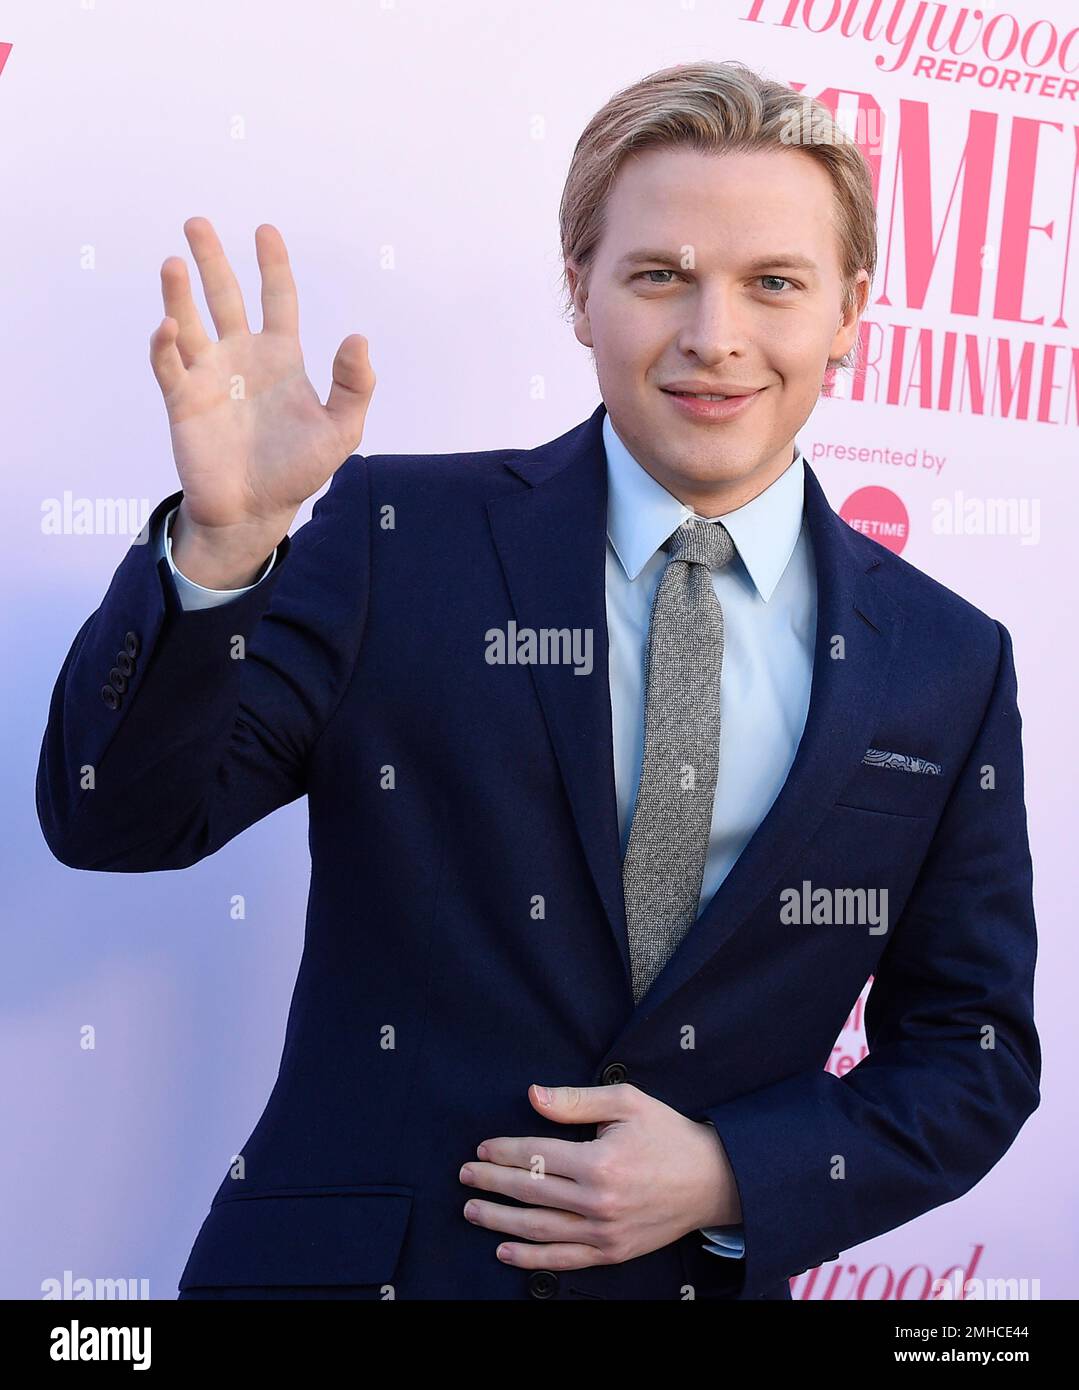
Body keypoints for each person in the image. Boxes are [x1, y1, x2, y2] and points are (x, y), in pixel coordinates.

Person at [36, 60, 1040, 1301]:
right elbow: (116, 820)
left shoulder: (946, 659)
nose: (711, 335)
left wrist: (734, 1172)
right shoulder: (398, 534)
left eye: (772, 283)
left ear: (847, 312)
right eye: (657, 274)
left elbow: (969, 1052)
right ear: (579, 294)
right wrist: (224, 544)